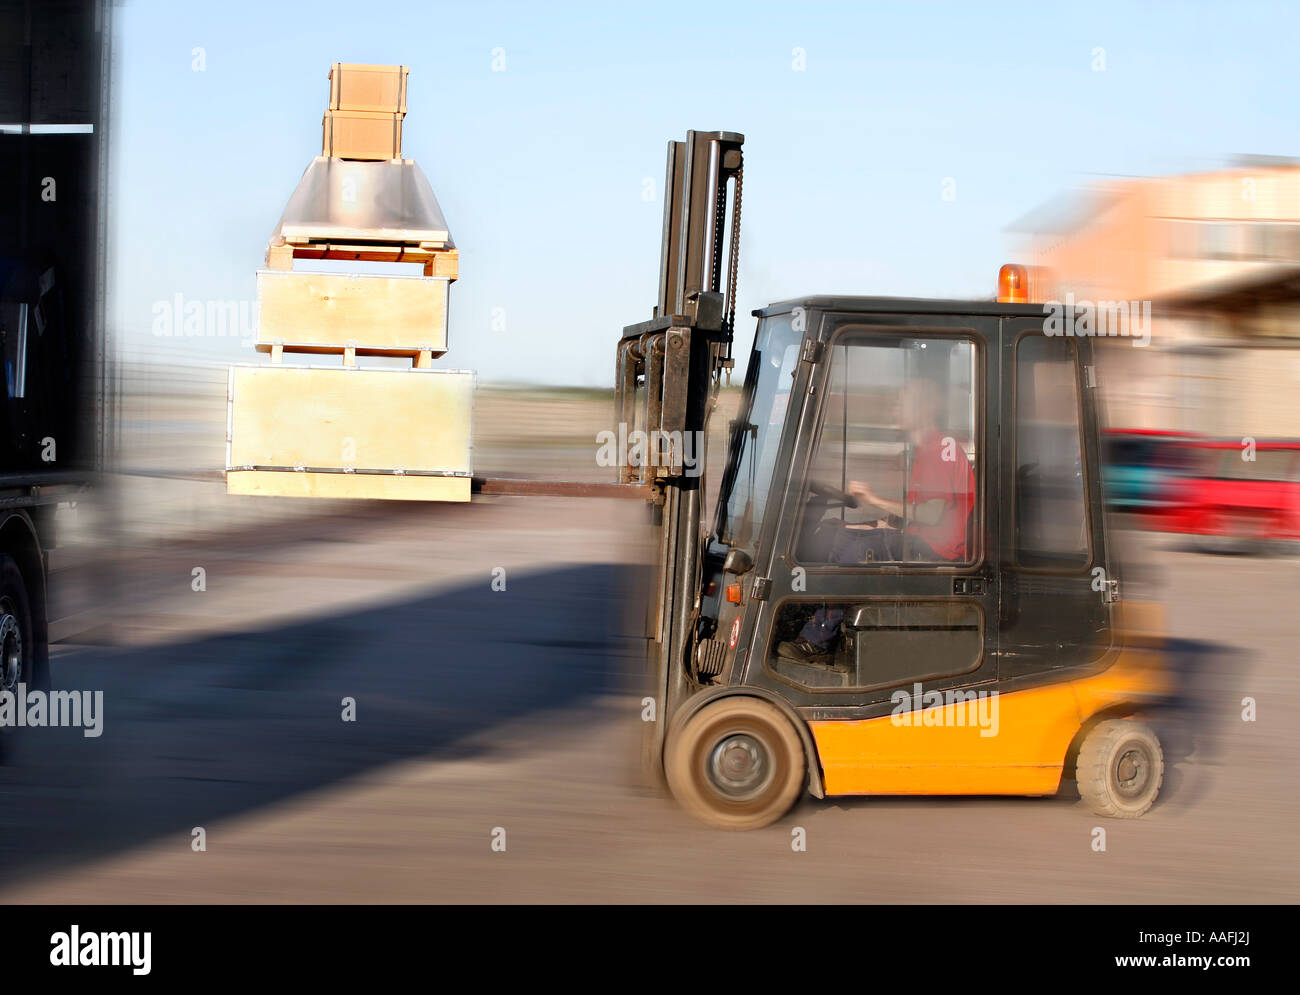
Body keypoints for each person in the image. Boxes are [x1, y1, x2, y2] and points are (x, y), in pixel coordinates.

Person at [777, 378, 975, 667]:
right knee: (836, 536)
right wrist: (861, 526)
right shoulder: (922, 452)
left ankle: (818, 639)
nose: (895, 407)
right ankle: (809, 625)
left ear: (924, 408)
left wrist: (874, 499)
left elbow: (932, 515)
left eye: (902, 401)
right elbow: (908, 518)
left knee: (854, 553)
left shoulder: (941, 448)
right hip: (923, 540)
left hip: (941, 552)